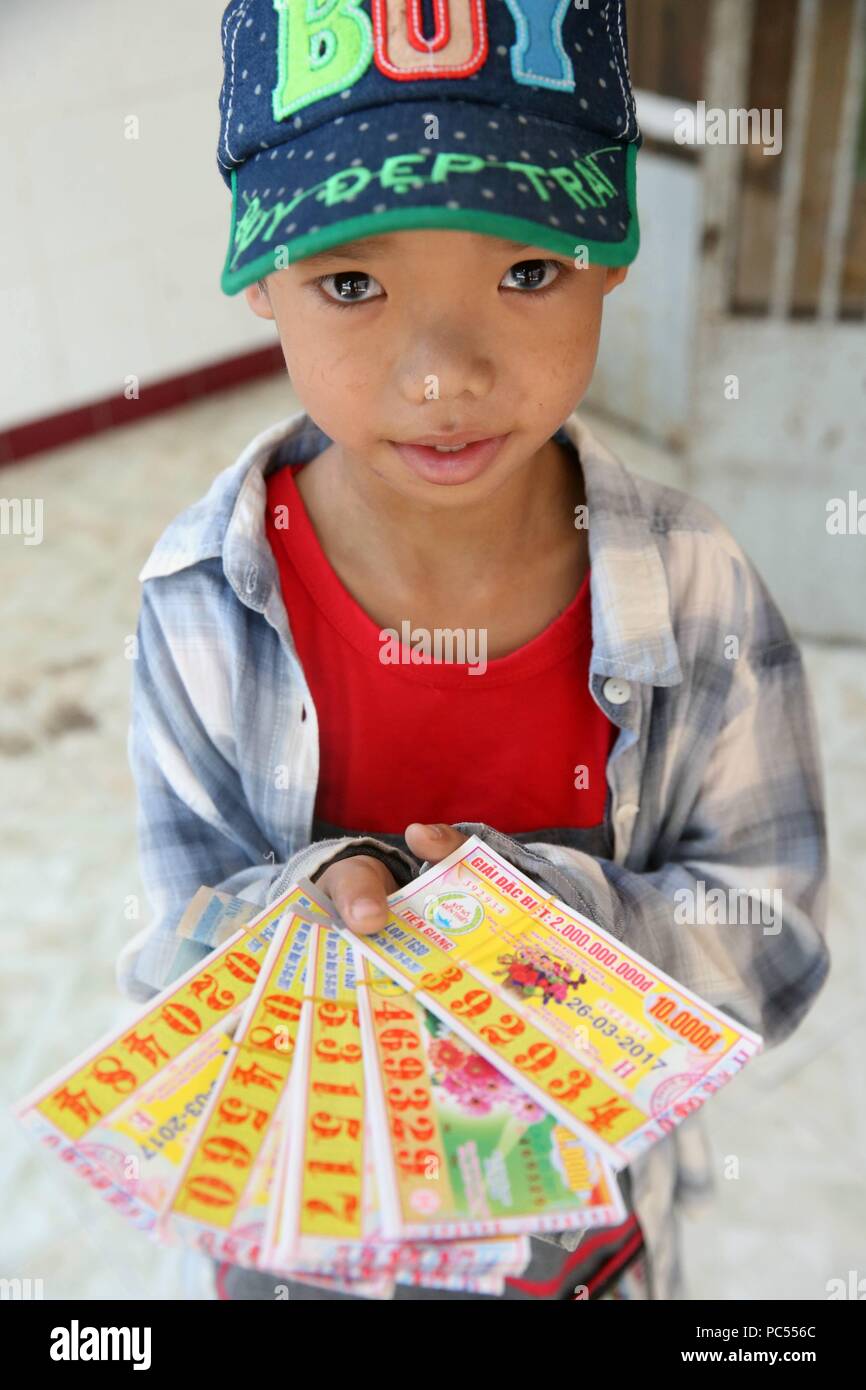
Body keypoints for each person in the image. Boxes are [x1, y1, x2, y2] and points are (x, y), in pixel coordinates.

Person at [117, 0, 829, 1301]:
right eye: (351, 283)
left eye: (523, 271)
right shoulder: (201, 599)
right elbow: (173, 954)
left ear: (611, 248)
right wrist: (317, 900)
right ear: (257, 277)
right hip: (301, 1248)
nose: (442, 371)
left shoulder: (695, 585)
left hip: (586, 1249)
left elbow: (768, 939)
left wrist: (538, 924)